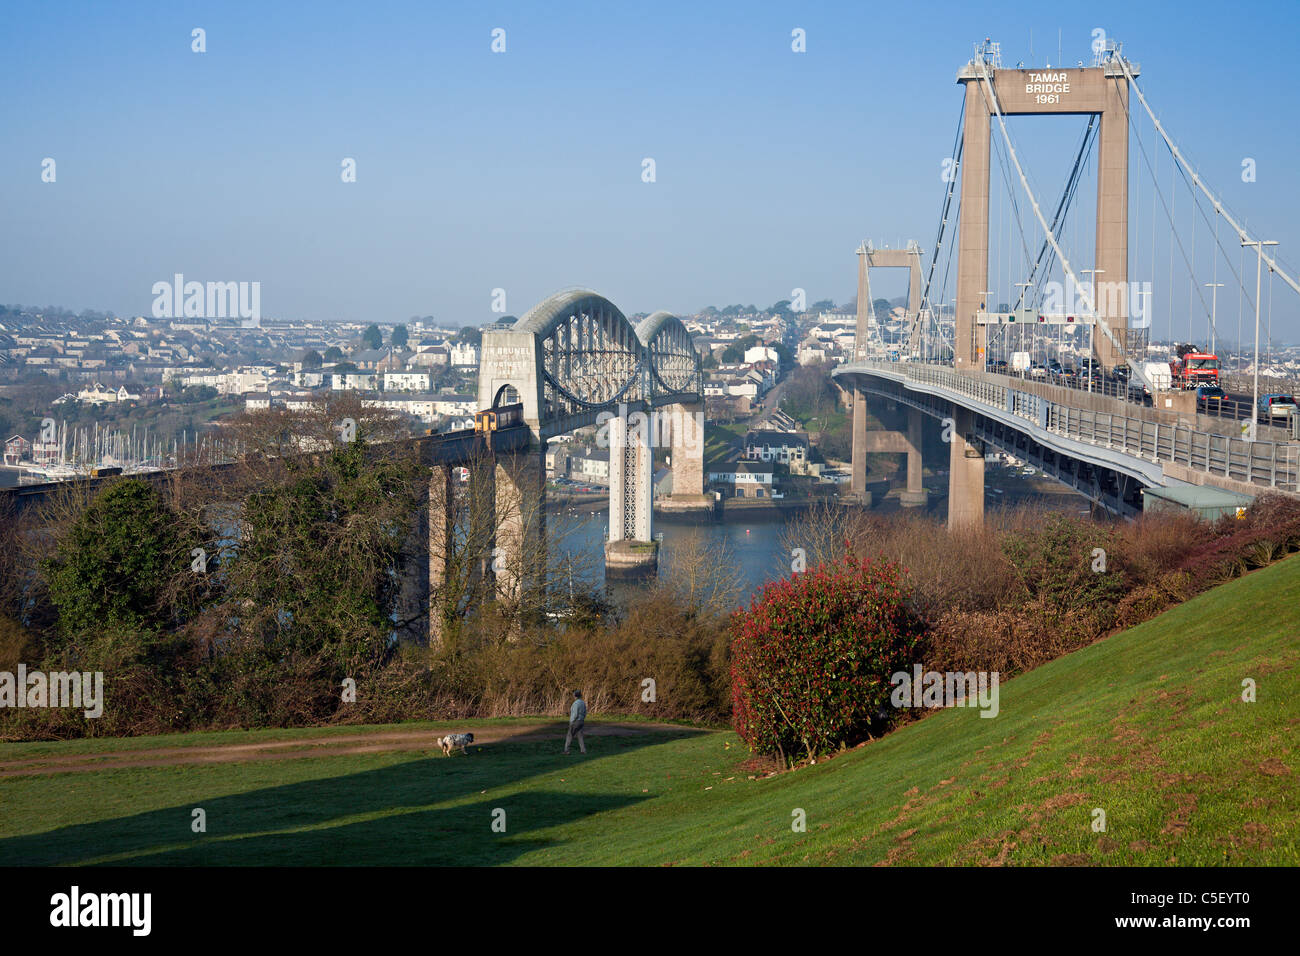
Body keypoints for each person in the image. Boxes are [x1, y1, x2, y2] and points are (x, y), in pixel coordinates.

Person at [563, 690, 587, 754]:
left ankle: (566, 750)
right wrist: (582, 719)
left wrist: (571, 721)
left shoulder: (576, 703)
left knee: (569, 735)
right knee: (580, 736)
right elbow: (585, 712)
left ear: (575, 696)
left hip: (575, 721)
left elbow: (575, 714)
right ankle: (583, 750)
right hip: (581, 721)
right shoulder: (583, 702)